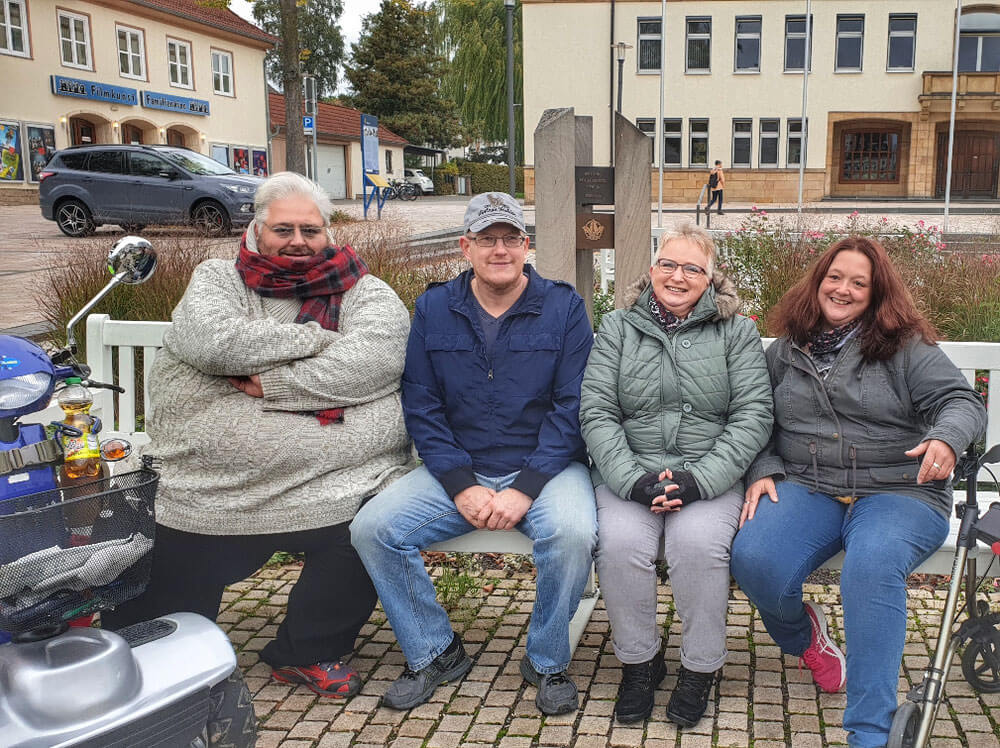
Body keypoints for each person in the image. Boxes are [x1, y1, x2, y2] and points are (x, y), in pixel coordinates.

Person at [102, 171, 413, 699]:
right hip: (211, 485)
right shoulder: (218, 278)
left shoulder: (364, 290)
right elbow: (213, 342)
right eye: (284, 229)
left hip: (332, 483)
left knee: (367, 527)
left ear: (328, 234)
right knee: (158, 615)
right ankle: (167, 653)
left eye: (310, 231)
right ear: (256, 230)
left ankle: (307, 650)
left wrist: (269, 381)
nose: (298, 241)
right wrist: (316, 338)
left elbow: (376, 362)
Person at [730, 237, 986, 748]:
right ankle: (807, 639)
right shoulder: (787, 349)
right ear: (818, 281)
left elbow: (962, 400)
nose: (842, 289)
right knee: (755, 558)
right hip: (811, 485)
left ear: (876, 293)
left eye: (858, 282)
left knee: (870, 566)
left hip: (900, 490)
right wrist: (762, 465)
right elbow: (755, 417)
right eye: (834, 277)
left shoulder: (904, 345)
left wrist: (946, 437)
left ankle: (869, 733)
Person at [351, 192, 597, 715]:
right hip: (460, 468)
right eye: (487, 239)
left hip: (547, 469)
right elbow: (421, 403)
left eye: (510, 238)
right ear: (466, 247)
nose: (500, 249)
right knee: (373, 529)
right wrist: (461, 482)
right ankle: (435, 651)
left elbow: (573, 407)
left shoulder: (563, 307)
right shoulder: (435, 307)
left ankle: (547, 660)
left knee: (573, 534)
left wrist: (525, 488)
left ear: (525, 245)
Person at [579, 224, 773, 727]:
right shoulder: (619, 327)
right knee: (619, 547)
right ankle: (640, 663)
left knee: (698, 548)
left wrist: (699, 480)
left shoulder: (737, 331)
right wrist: (631, 480)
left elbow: (753, 414)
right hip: (631, 475)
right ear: (651, 270)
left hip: (709, 478)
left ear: (711, 280)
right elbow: (597, 411)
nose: (678, 276)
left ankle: (699, 669)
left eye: (693, 268)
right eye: (668, 263)